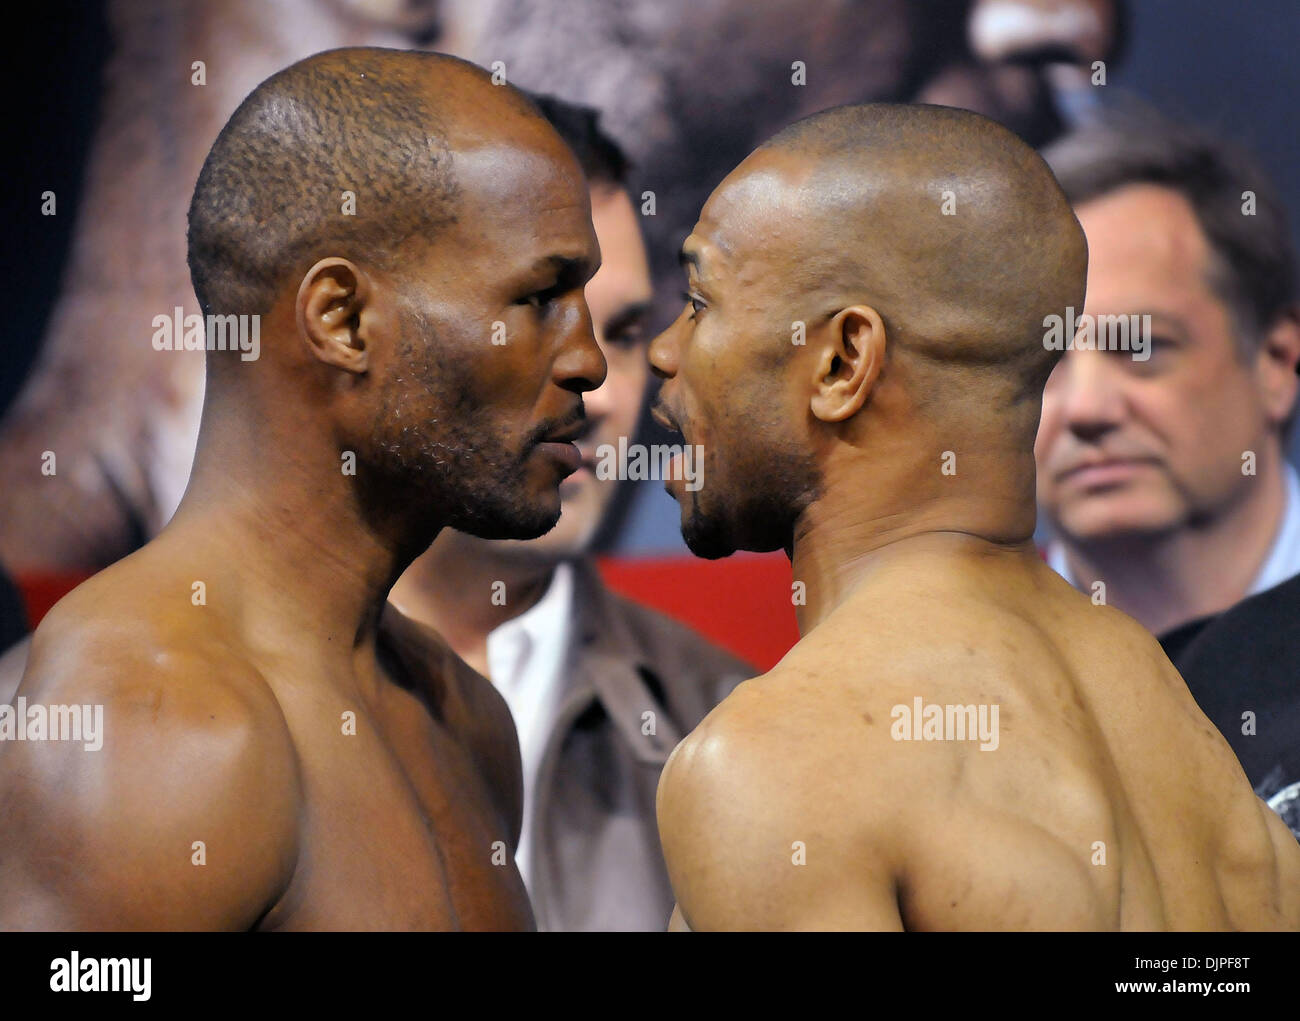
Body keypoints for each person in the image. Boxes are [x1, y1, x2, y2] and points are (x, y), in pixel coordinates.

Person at [649, 102, 1300, 930]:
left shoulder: (776, 764)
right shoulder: (1172, 716)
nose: (665, 351)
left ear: (844, 361)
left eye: (699, 301)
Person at [0, 47, 607, 930]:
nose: (588, 360)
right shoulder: (150, 721)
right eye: (541, 296)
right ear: (343, 320)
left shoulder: (461, 713)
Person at [389, 93, 753, 931]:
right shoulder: (148, 706)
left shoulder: (727, 722)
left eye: (624, 334)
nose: (600, 386)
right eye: (539, 311)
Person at [1035, 107, 1300, 645]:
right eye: (1037, 362)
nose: (1086, 409)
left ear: (1275, 360)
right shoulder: (931, 679)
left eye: (1141, 346)